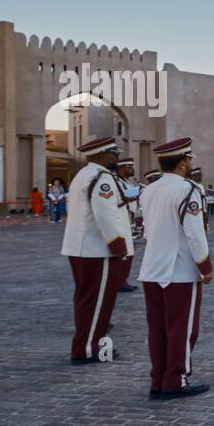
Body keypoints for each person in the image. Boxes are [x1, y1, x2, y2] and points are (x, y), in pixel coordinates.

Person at [138, 138, 213, 400]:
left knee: (157, 328)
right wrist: (205, 265)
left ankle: (158, 378)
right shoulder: (188, 190)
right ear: (183, 163)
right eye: (189, 160)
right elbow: (194, 232)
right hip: (179, 268)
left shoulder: (148, 191)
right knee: (181, 328)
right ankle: (175, 379)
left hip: (151, 267)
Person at [60, 136, 132, 365]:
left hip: (81, 247)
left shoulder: (83, 175)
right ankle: (88, 349)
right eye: (113, 153)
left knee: (87, 299)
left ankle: (88, 343)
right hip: (96, 249)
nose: (117, 157)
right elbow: (105, 214)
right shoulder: (102, 178)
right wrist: (119, 246)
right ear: (102, 155)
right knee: (98, 301)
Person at [111, 157, 139, 293]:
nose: (132, 170)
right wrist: (132, 194)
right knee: (125, 251)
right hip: (119, 219)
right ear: (122, 168)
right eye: (130, 167)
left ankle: (122, 280)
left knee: (129, 252)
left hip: (126, 217)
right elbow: (117, 199)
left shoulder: (125, 182)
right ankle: (119, 282)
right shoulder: (114, 181)